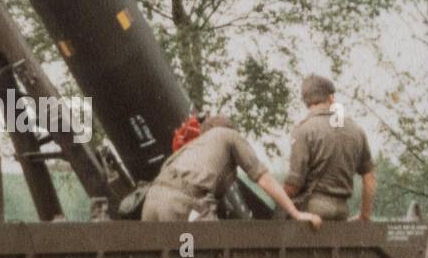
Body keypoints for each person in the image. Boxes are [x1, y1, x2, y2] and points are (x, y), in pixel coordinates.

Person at [143, 115, 320, 227]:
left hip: (152, 203)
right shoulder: (228, 135)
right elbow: (263, 177)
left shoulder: (191, 147)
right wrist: (295, 213)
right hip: (181, 207)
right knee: (201, 257)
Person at [283, 74, 375, 221]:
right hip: (342, 210)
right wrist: (364, 215)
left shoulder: (304, 130)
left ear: (306, 102)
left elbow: (294, 184)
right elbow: (369, 179)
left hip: (312, 209)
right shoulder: (356, 130)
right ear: (331, 97)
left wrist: (279, 196)